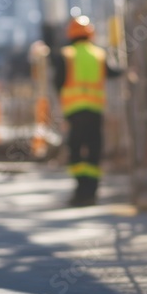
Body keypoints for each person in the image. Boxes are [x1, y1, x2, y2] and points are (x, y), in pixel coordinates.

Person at [45, 15, 122, 206]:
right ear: (90, 34)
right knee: (94, 150)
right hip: (95, 110)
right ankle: (92, 192)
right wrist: (127, 69)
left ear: (71, 34)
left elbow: (58, 83)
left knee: (76, 151)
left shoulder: (66, 54)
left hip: (74, 111)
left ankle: (81, 191)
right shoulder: (99, 54)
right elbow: (113, 72)